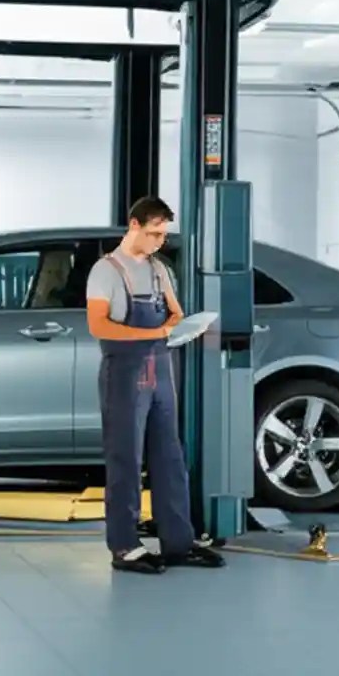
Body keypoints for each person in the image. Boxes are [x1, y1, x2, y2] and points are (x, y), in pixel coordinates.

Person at [85, 196, 226, 574]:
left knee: (170, 456)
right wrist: (152, 332)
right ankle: (125, 546)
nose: (159, 242)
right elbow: (98, 325)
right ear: (134, 225)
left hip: (162, 368)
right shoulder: (107, 271)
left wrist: (179, 326)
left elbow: (175, 311)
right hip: (126, 372)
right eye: (154, 234)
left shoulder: (159, 268)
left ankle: (179, 542)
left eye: (163, 235)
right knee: (125, 459)